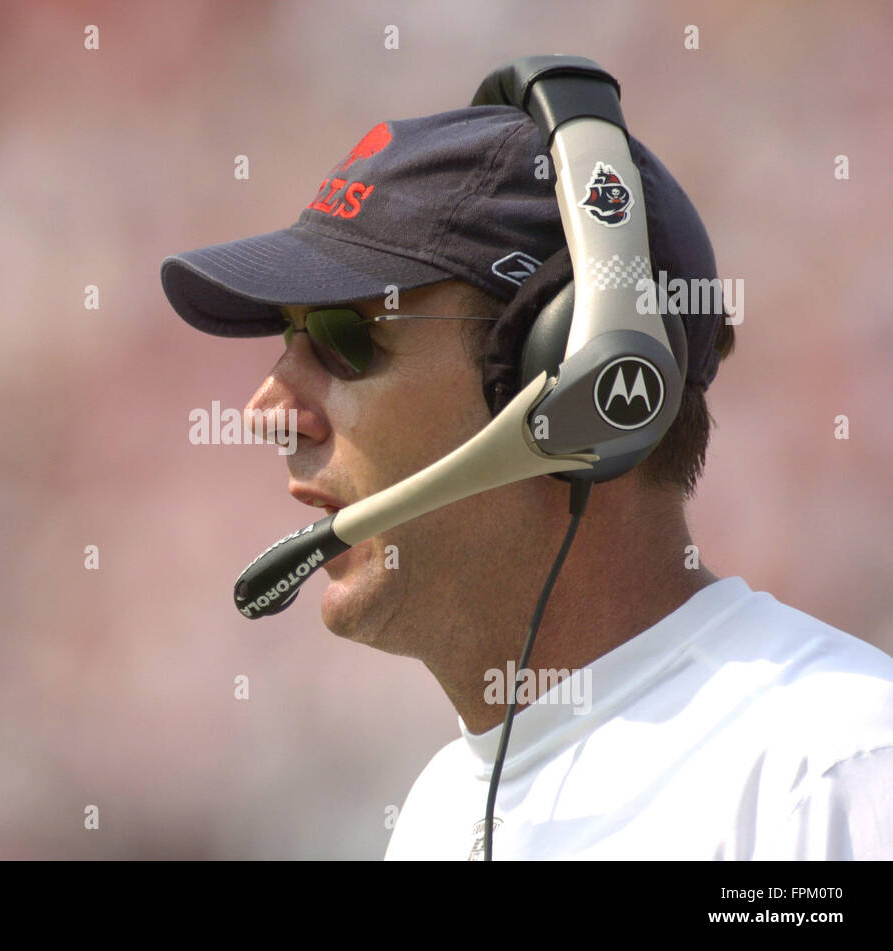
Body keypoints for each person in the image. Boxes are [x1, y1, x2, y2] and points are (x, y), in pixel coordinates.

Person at [159, 106, 893, 859]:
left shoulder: (836, 775)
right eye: (288, 338)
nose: (267, 411)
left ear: (576, 384)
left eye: (346, 338)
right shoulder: (436, 818)